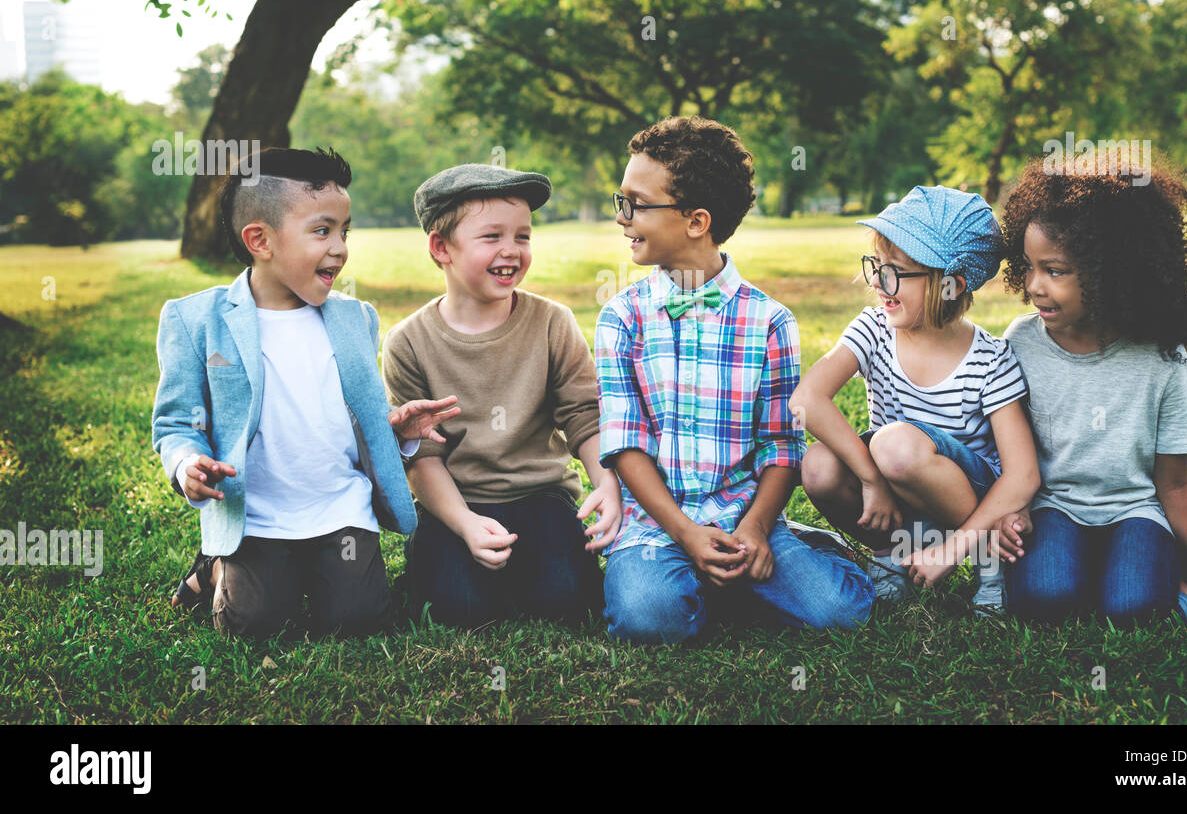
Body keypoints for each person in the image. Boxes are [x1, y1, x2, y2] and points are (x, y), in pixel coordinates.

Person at [153, 147, 458, 637]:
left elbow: (358, 418)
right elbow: (173, 424)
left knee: (358, 620)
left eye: (345, 231)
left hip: (339, 508)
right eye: (322, 231)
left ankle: (306, 571)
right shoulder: (195, 321)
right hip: (258, 515)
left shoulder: (355, 318)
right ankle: (212, 565)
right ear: (260, 239)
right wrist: (188, 463)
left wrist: (395, 428)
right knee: (252, 623)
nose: (340, 248)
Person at [597, 116, 875, 645]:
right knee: (649, 618)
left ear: (696, 221)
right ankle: (701, 580)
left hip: (747, 518)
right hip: (658, 526)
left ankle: (785, 556)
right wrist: (685, 532)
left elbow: (781, 444)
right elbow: (625, 442)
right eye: (620, 200)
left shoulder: (770, 321)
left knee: (841, 612)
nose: (621, 217)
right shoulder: (622, 317)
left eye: (635, 203)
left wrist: (755, 528)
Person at [995, 154, 1187, 626]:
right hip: (1054, 509)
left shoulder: (1160, 358)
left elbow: (1175, 483)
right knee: (1043, 598)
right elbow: (1007, 453)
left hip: (1134, 511)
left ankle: (1173, 584)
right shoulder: (1020, 342)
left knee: (1136, 608)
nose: (1034, 286)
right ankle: (1092, 574)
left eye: (1056, 270)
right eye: (1028, 267)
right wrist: (1011, 513)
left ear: (1113, 272)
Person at [382, 164, 622, 627]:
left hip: (541, 495)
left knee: (567, 602)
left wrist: (606, 484)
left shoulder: (553, 322)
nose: (511, 251)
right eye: (491, 237)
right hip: (458, 499)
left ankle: (529, 572)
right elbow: (422, 457)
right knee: (460, 610)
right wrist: (466, 525)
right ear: (440, 247)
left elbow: (583, 418)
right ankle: (440, 564)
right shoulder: (407, 342)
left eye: (523, 237)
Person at [793, 185, 1040, 613]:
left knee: (895, 445)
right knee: (817, 466)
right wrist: (870, 480)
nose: (877, 282)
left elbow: (1022, 476)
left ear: (950, 285)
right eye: (877, 266)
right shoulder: (874, 328)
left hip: (968, 499)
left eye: (895, 272)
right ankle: (892, 553)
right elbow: (808, 399)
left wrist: (956, 547)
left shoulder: (990, 359)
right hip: (895, 485)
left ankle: (986, 563)